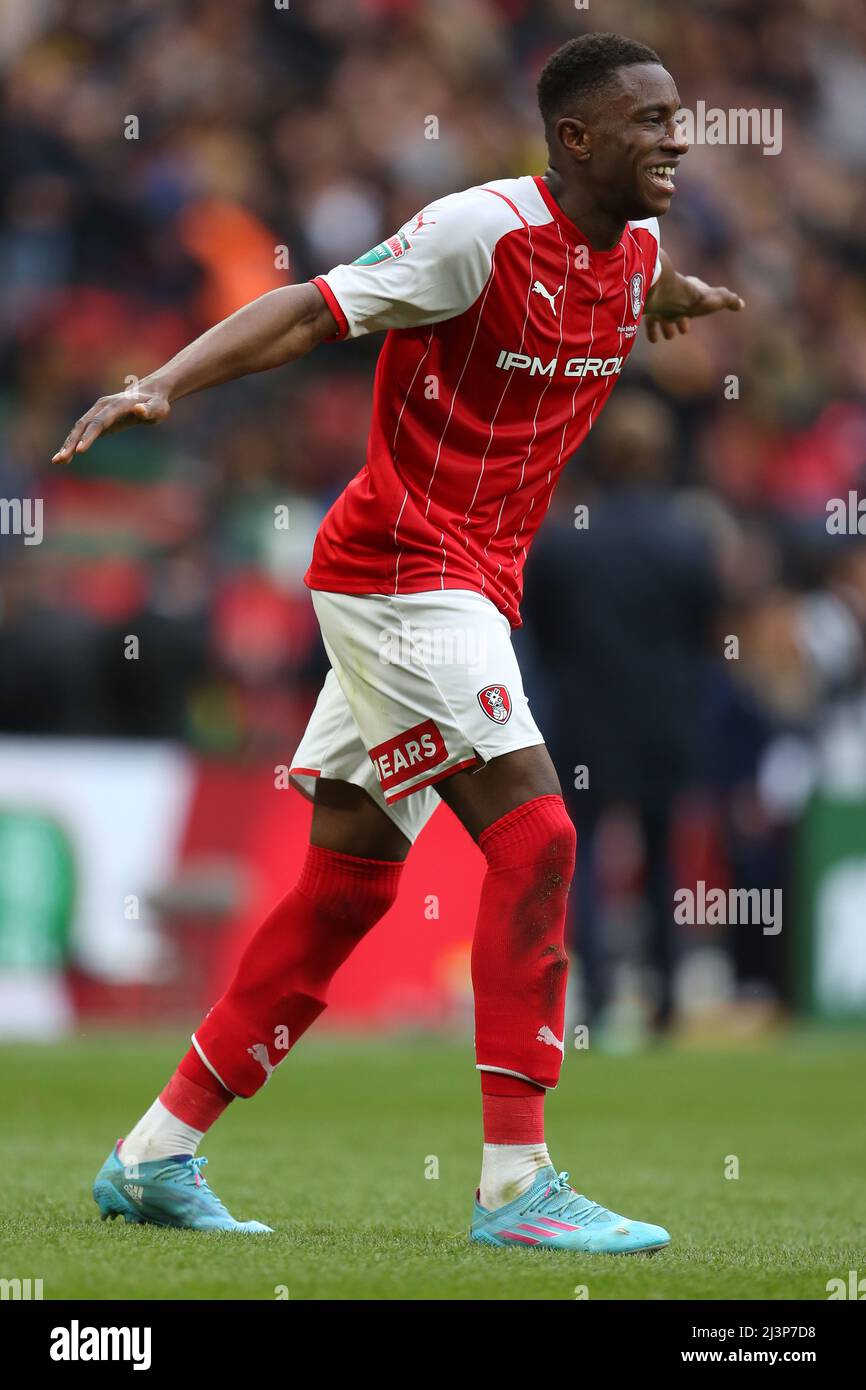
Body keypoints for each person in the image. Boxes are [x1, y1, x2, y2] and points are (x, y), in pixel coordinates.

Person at [54, 33, 743, 1252]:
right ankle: (514, 1183)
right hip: (402, 573)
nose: (677, 139)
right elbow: (308, 310)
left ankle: (156, 1152)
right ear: (574, 138)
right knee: (535, 836)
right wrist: (163, 382)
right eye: (648, 121)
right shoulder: (473, 233)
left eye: (679, 117)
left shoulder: (634, 251)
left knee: (343, 889)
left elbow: (627, 290)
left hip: (467, 585)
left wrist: (671, 298)